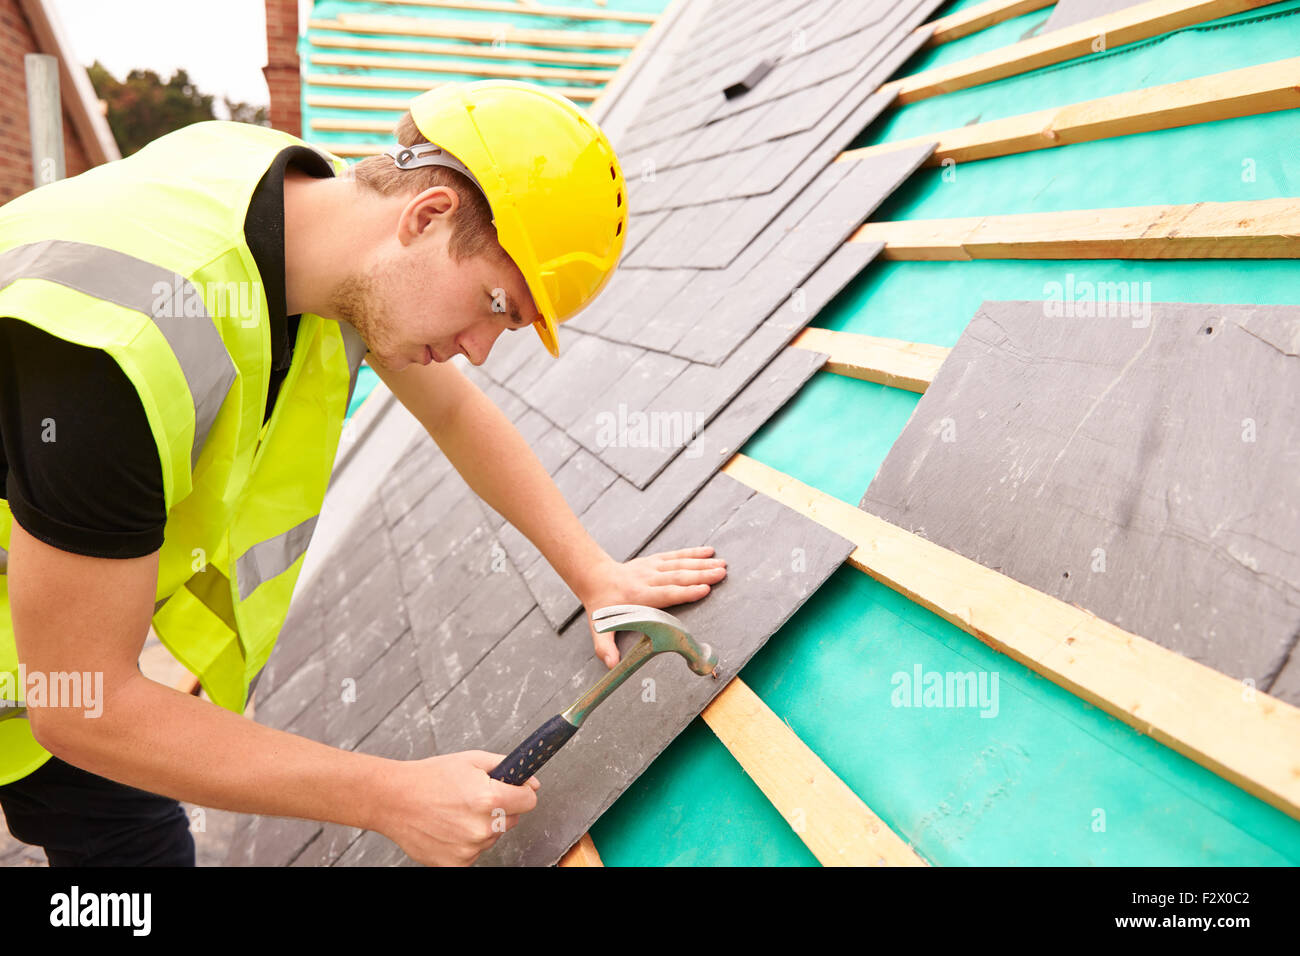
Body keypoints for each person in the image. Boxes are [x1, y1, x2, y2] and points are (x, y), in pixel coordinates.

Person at [0, 80, 727, 867]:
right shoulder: (111, 349)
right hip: (69, 689)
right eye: (495, 304)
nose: (480, 350)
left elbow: (455, 414)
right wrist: (388, 796)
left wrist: (595, 574)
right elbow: (86, 706)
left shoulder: (323, 220)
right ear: (428, 213)